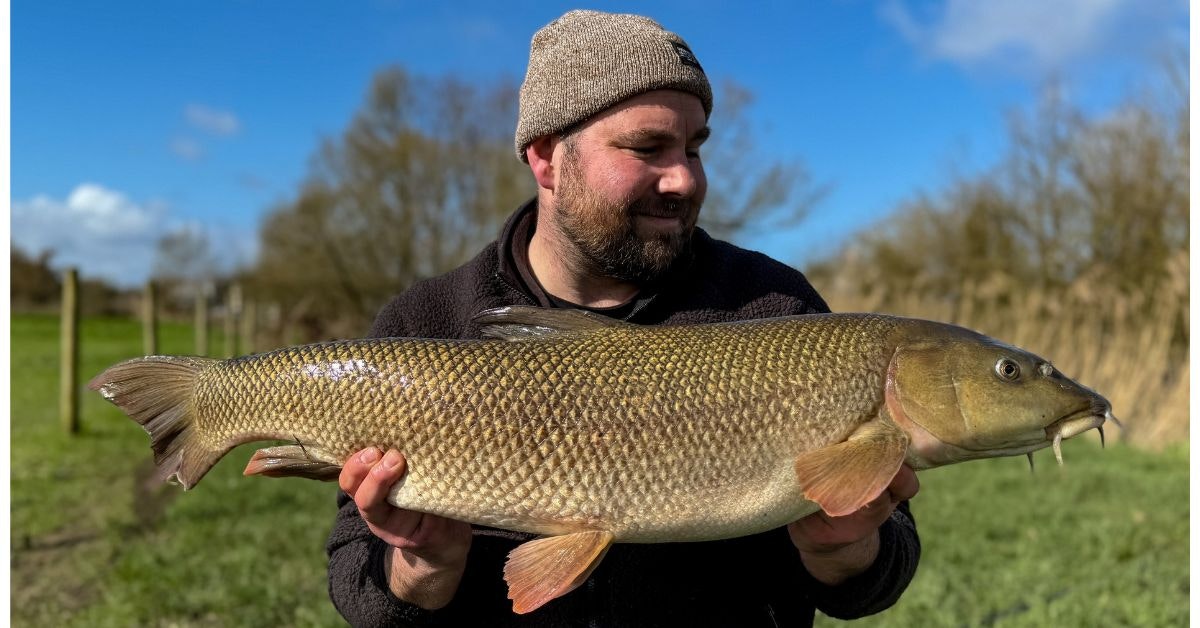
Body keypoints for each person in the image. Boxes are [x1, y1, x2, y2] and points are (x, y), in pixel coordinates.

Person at [327, 9, 920, 627]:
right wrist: (423, 565)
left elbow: (874, 581)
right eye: (648, 148)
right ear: (546, 157)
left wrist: (843, 550)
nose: (684, 179)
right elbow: (358, 586)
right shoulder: (425, 325)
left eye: (694, 148)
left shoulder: (775, 308)